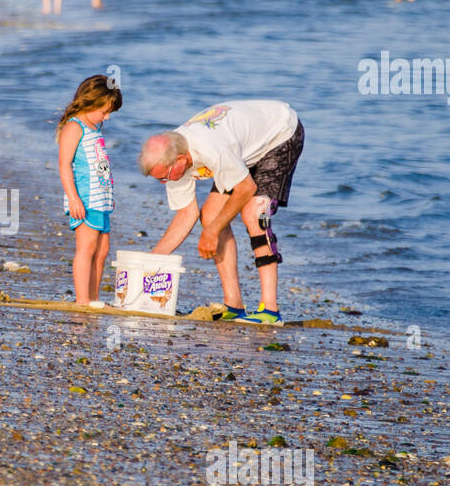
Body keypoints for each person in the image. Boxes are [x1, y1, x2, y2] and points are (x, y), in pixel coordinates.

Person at [137, 100, 305, 325]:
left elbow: (246, 188)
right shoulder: (170, 158)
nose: (164, 182)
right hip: (243, 149)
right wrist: (151, 262)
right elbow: (187, 214)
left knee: (255, 213)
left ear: (181, 159)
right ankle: (234, 305)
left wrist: (212, 231)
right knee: (210, 216)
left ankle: (270, 310)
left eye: (164, 177)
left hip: (280, 133)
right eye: (159, 179)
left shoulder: (210, 147)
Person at [58, 75, 122, 305]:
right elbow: (64, 164)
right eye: (104, 111)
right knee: (87, 247)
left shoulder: (93, 128)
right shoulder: (74, 127)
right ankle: (83, 299)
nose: (106, 117)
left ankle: (93, 297)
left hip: (100, 198)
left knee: (102, 249)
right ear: (89, 102)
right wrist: (73, 198)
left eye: (109, 113)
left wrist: (108, 195)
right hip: (84, 198)